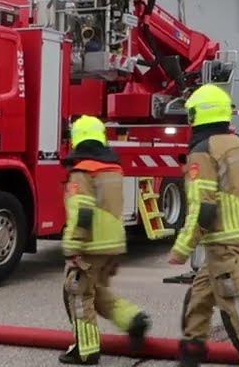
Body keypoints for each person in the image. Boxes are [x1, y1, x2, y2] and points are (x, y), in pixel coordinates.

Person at [169, 84, 239, 367]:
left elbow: (203, 208)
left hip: (223, 241)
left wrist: (181, 248)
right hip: (237, 236)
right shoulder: (235, 143)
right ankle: (191, 355)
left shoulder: (203, 150)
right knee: (199, 299)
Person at [60, 115, 151, 364]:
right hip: (113, 243)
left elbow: (82, 212)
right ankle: (132, 319)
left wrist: (72, 246)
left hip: (91, 244)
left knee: (78, 293)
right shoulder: (113, 169)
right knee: (98, 293)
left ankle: (86, 351)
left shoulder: (82, 172)